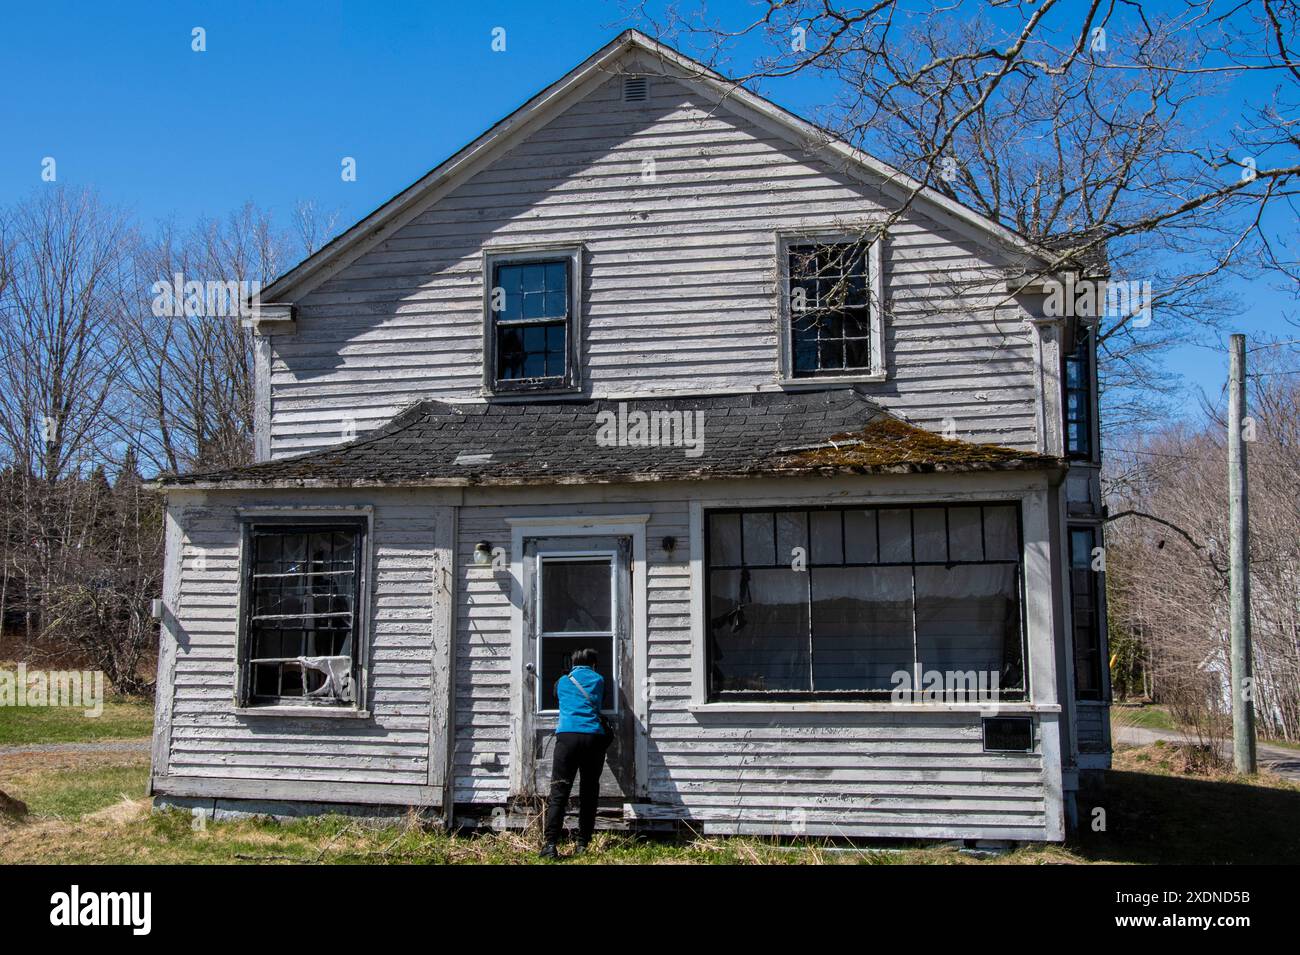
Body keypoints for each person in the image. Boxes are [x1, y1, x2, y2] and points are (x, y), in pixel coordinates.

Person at [539, 648, 611, 859]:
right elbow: (601, 700)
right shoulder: (598, 679)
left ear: (572, 664)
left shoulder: (562, 681)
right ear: (594, 664)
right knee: (589, 791)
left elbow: (556, 697)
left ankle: (551, 845)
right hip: (592, 737)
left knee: (559, 793)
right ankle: (583, 844)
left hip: (567, 737)